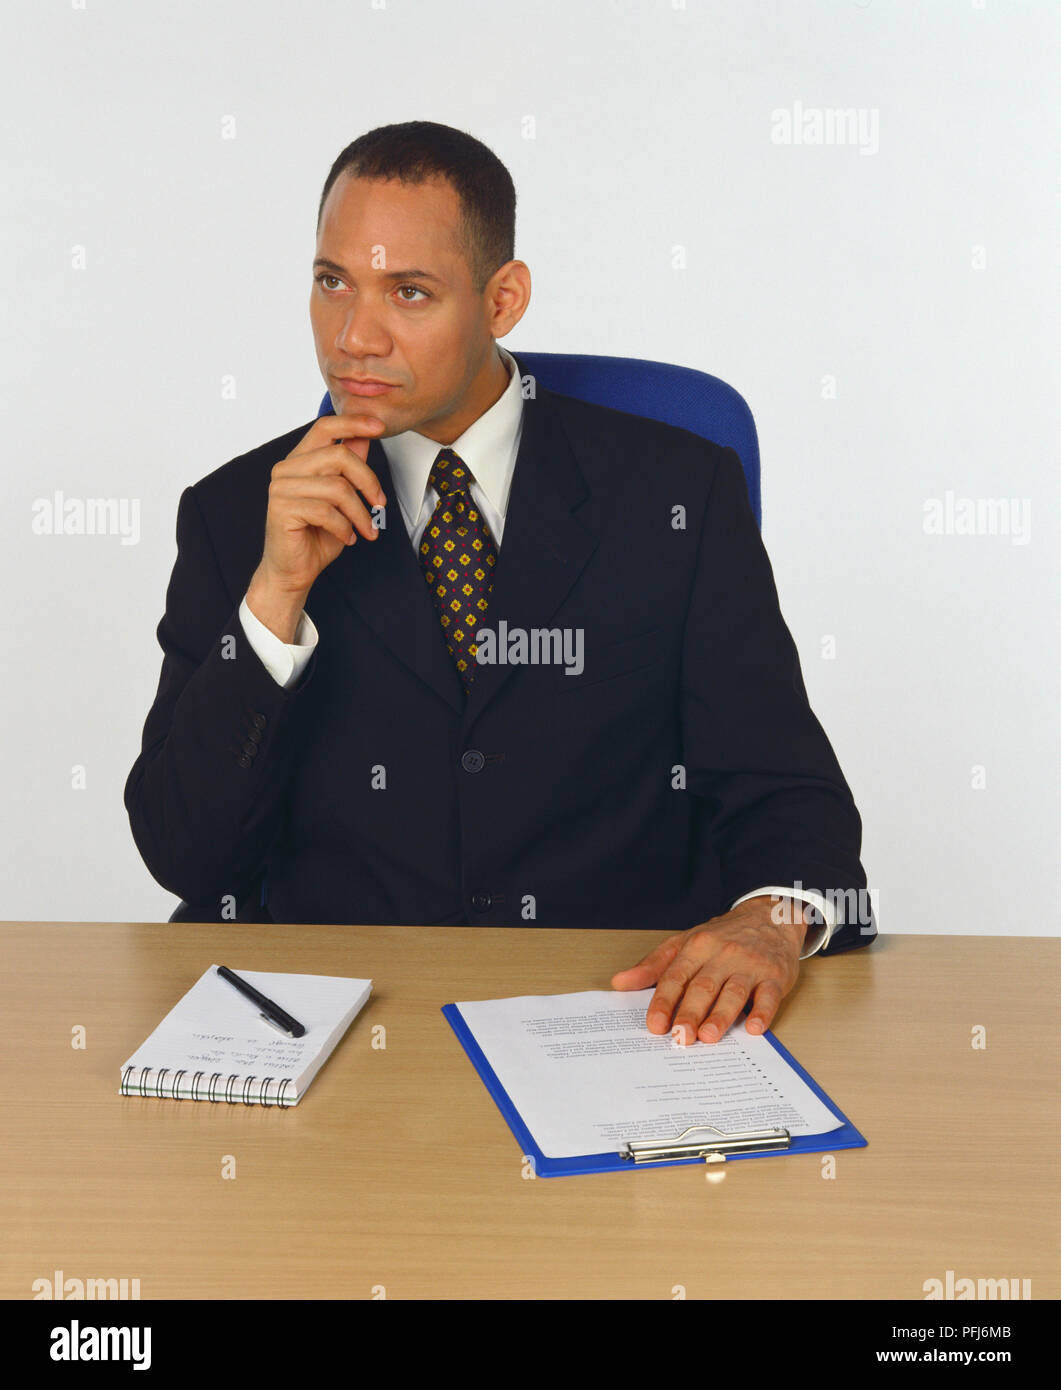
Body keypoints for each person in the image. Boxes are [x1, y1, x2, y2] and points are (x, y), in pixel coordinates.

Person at [125, 121, 876, 1049]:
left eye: (408, 292)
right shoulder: (235, 511)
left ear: (502, 298)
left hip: (621, 1018)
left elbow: (784, 791)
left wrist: (773, 919)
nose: (354, 337)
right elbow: (184, 854)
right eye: (332, 284)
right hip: (344, 1029)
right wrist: (275, 598)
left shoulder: (678, 492)